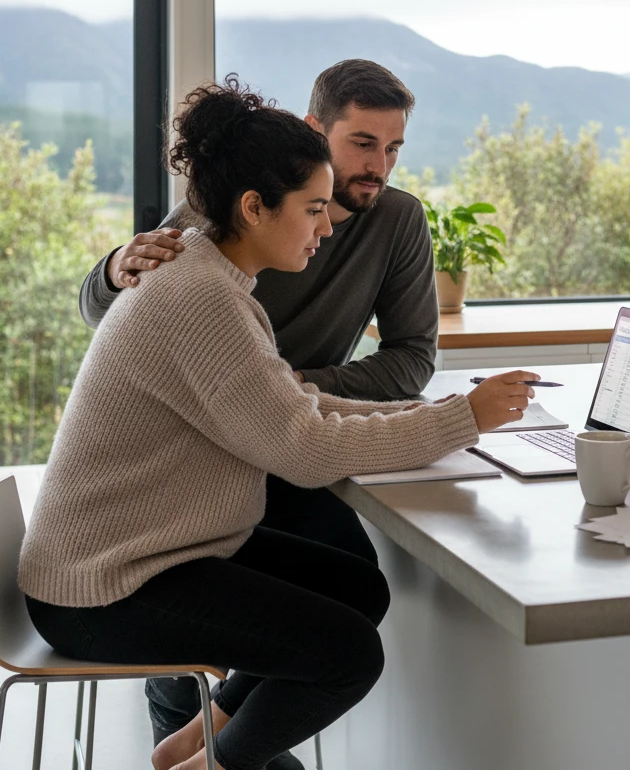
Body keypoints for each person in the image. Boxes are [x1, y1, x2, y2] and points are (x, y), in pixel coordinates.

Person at [20, 82, 538, 770]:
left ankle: (203, 737)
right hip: (105, 587)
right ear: (254, 207)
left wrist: (444, 417)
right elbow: (307, 449)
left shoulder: (218, 278)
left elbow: (302, 410)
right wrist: (457, 420)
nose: (327, 229)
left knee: (357, 588)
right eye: (314, 210)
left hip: (148, 553)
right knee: (349, 656)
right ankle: (213, 765)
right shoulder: (202, 297)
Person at [77, 61, 438, 753]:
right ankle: (191, 735)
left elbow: (413, 359)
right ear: (314, 131)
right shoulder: (237, 210)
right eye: (363, 143)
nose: (379, 167)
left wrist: (286, 388)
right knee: (203, 638)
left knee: (355, 587)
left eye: (394, 148)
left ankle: (218, 746)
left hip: (285, 447)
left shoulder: (396, 221)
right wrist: (116, 264)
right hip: (197, 465)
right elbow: (114, 311)